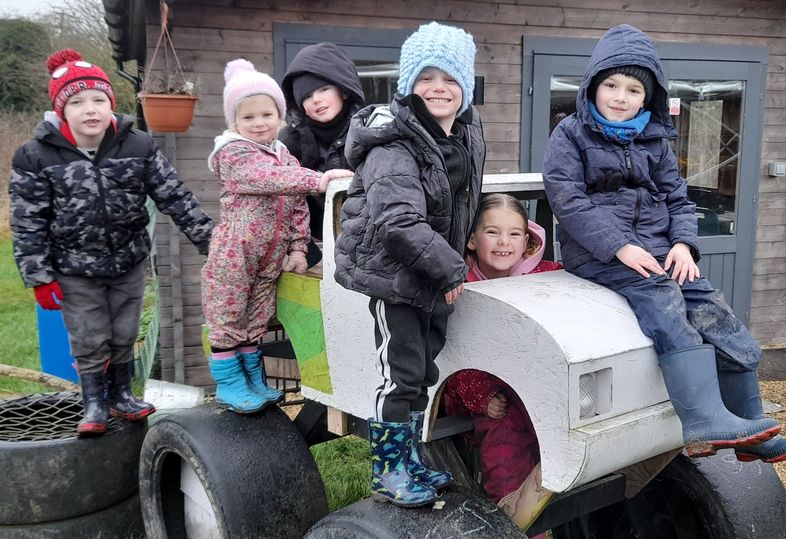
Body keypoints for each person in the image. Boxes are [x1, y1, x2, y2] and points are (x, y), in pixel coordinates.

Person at [542, 24, 786, 463]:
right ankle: (702, 422)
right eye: (611, 85)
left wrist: (683, 244)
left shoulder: (656, 139)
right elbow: (567, 201)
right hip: (600, 255)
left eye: (632, 89)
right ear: (593, 85)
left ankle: (751, 432)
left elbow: (678, 198)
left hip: (663, 251)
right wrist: (620, 246)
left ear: (649, 98)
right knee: (665, 301)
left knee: (713, 308)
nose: (620, 97)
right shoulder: (569, 135)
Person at [9, 49, 213, 436]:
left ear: (111, 104)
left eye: (99, 100)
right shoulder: (35, 156)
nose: (91, 110)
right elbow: (27, 220)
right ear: (60, 109)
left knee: (123, 331)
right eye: (78, 102)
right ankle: (95, 401)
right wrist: (39, 276)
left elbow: (174, 195)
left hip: (128, 261)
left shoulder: (136, 145)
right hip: (73, 268)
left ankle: (121, 394)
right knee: (89, 334)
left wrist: (209, 240)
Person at [334, 21, 485, 507]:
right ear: (407, 85)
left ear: (465, 87)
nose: (438, 88)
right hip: (395, 277)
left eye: (450, 78)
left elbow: (462, 204)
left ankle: (411, 458)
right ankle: (387, 469)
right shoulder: (393, 145)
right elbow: (398, 221)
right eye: (426, 78)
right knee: (399, 375)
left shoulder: (463, 135)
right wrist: (451, 269)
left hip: (434, 276)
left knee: (423, 373)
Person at [202, 59, 351, 414]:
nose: (258, 123)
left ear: (280, 116)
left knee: (257, 317)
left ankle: (253, 380)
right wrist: (319, 179)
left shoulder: (282, 153)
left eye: (266, 114)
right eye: (248, 117)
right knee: (229, 315)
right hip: (236, 252)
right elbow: (268, 179)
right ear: (234, 122)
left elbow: (297, 205)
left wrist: (299, 248)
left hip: (270, 255)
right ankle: (229, 383)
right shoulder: (233, 152)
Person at [445, 194, 561, 502]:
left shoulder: (543, 276)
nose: (503, 242)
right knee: (505, 450)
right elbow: (452, 352)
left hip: (534, 385)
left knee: (552, 442)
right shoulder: (460, 286)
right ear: (472, 240)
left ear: (526, 242)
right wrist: (483, 396)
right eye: (492, 232)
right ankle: (512, 516)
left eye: (513, 234)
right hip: (490, 393)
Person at [279, 43, 366, 266]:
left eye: (323, 89)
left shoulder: (370, 131)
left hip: (370, 247)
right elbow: (283, 203)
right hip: (312, 250)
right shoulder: (289, 142)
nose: (316, 99)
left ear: (344, 90)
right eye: (307, 96)